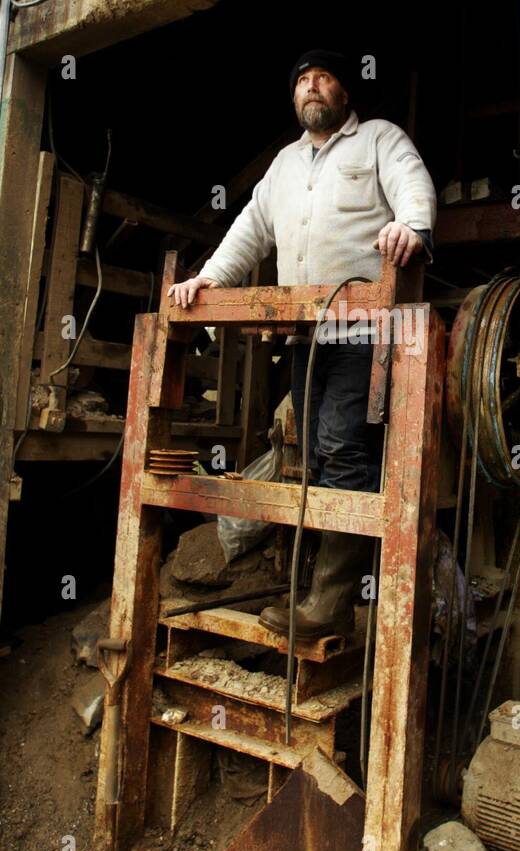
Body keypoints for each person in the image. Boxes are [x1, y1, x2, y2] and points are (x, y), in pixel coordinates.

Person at [168, 49, 437, 640]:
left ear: (344, 92)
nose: (312, 86)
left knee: (342, 450)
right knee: (311, 455)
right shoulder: (284, 166)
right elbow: (250, 230)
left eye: (324, 77)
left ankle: (329, 607)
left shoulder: (378, 141)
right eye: (303, 81)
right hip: (304, 337)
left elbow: (413, 186)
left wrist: (410, 226)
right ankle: (316, 591)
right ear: (295, 99)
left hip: (366, 332)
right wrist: (210, 279)